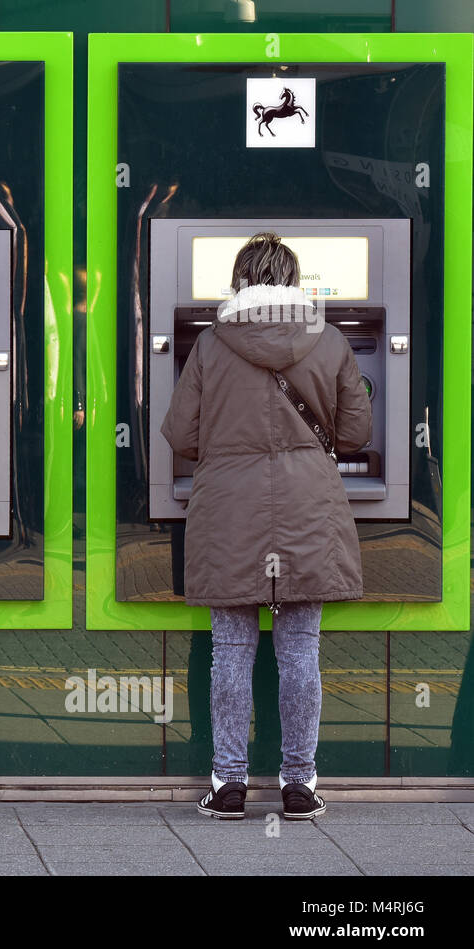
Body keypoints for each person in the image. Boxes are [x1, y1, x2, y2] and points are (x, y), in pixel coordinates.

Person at [161, 232, 372, 822]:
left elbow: (180, 434)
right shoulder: (328, 342)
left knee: (230, 648)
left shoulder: (209, 345)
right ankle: (298, 785)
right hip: (309, 508)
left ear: (240, 283)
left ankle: (228, 784)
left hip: (229, 510)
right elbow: (356, 435)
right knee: (300, 649)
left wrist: (230, 445)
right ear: (295, 283)